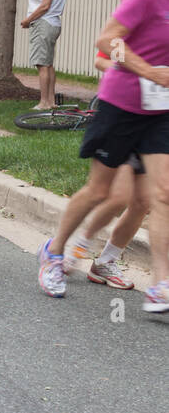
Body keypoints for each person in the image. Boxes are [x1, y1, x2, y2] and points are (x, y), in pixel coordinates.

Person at [37, 0, 169, 311]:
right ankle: (55, 251)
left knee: (162, 194)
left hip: (159, 112)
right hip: (122, 103)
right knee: (101, 191)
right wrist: (148, 72)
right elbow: (106, 41)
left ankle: (160, 284)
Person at [64, 49, 144, 290]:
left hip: (159, 122)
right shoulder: (134, 22)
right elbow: (102, 59)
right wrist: (135, 76)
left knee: (145, 202)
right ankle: (79, 245)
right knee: (119, 197)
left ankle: (106, 260)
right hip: (126, 115)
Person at [21, 0, 67, 109]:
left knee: (42, 64)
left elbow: (45, 5)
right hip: (50, 23)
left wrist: (28, 20)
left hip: (44, 23)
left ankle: (44, 102)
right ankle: (51, 101)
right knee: (48, 64)